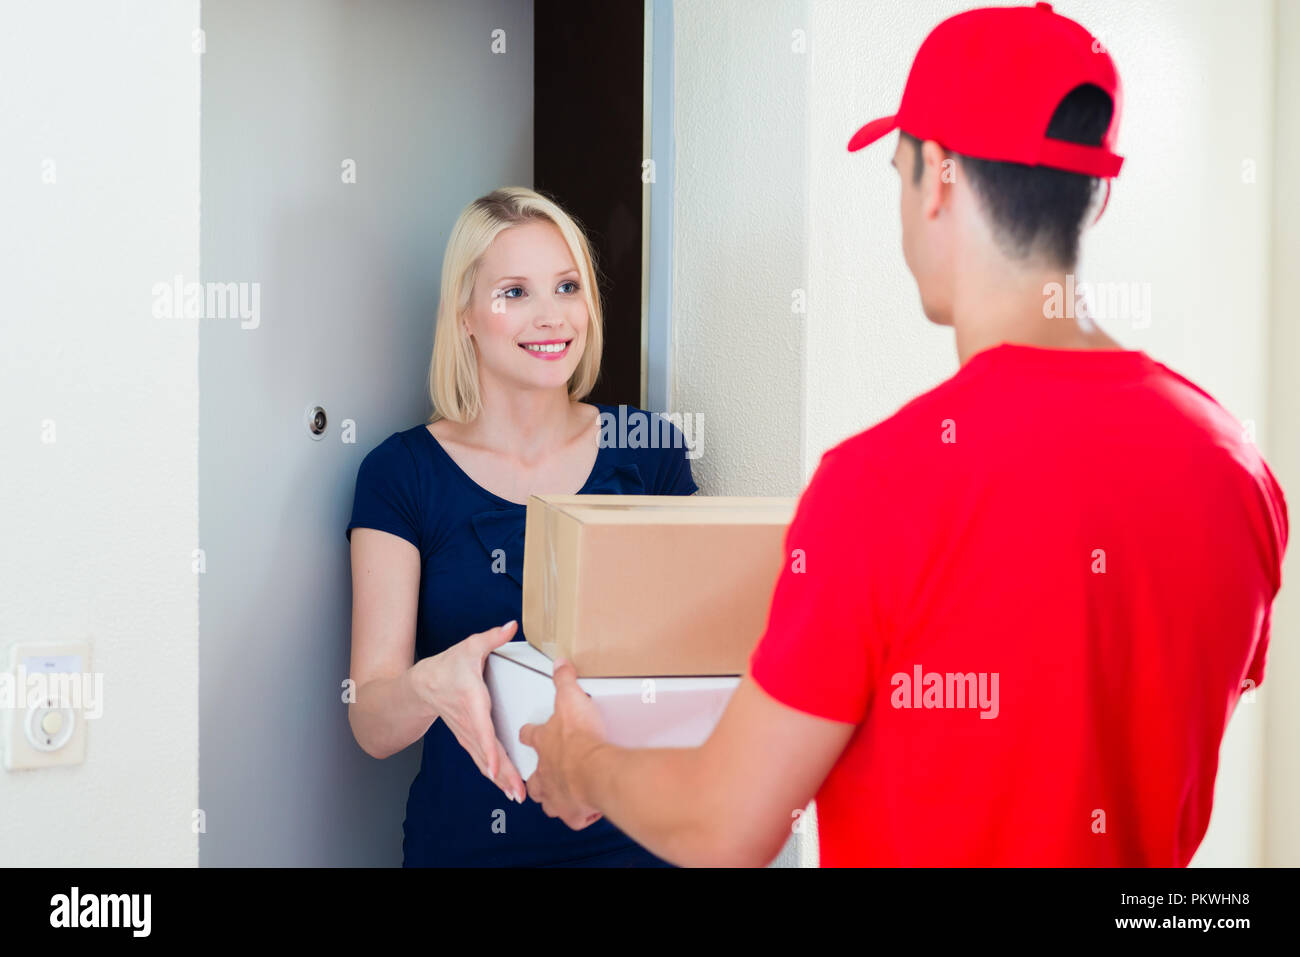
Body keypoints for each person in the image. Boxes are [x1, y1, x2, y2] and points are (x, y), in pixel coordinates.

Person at [521, 2, 1288, 866]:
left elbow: (722, 825)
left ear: (940, 179)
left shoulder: (881, 482)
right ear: (1097, 197)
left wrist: (580, 761)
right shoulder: (1235, 468)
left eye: (899, 170)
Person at [345, 186, 697, 866]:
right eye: (514, 292)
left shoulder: (648, 450)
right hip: (468, 848)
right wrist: (429, 684)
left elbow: (699, 664)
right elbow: (371, 722)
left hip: (638, 840)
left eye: (567, 286)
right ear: (465, 316)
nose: (551, 316)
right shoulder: (401, 474)